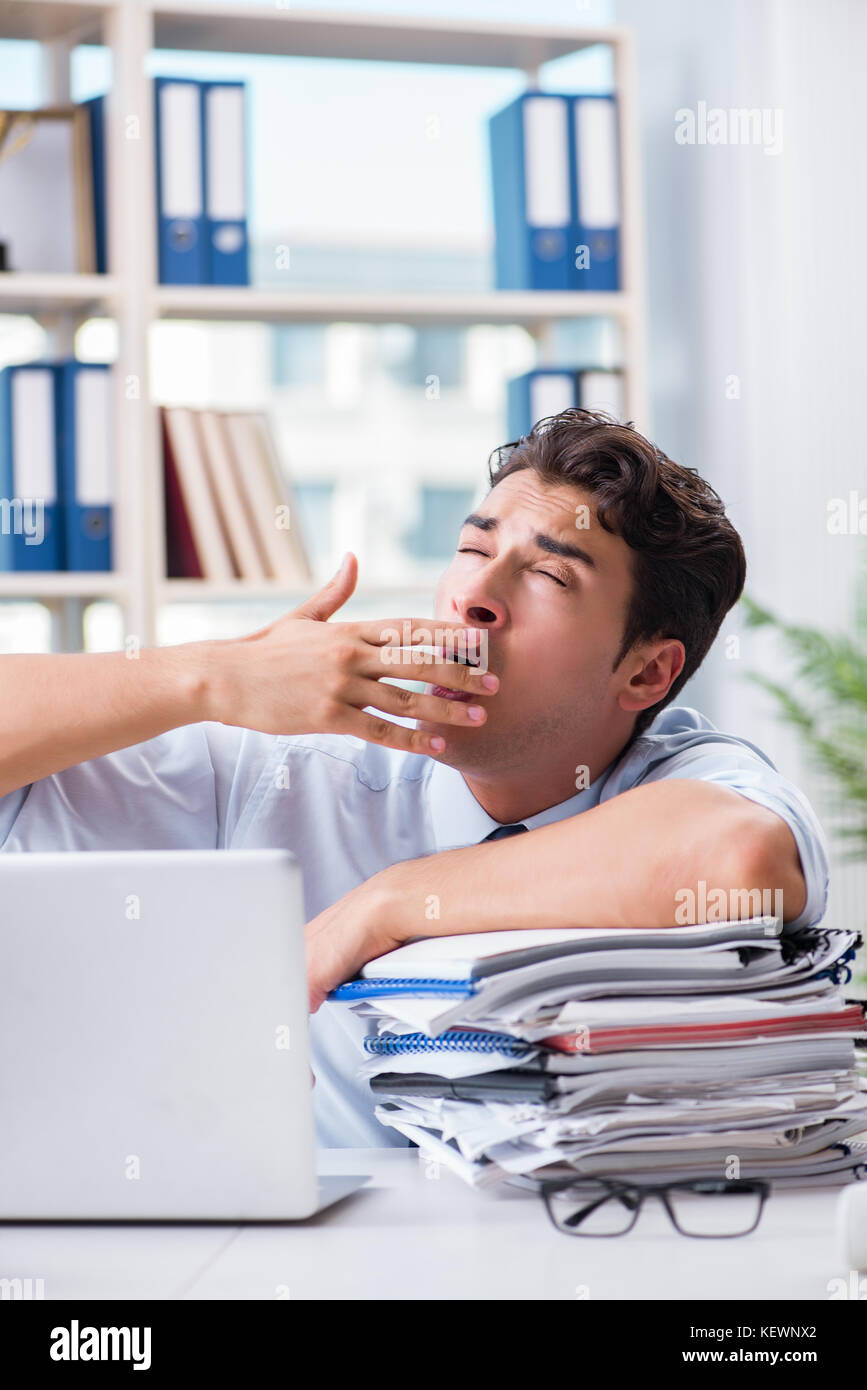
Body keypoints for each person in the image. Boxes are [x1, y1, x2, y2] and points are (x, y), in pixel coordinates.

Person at [0, 409, 827, 1146]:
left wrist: (385, 905)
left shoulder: (679, 780)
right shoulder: (285, 763)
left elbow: (740, 860)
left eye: (546, 575)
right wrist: (210, 677)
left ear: (645, 676)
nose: (474, 594)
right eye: (472, 548)